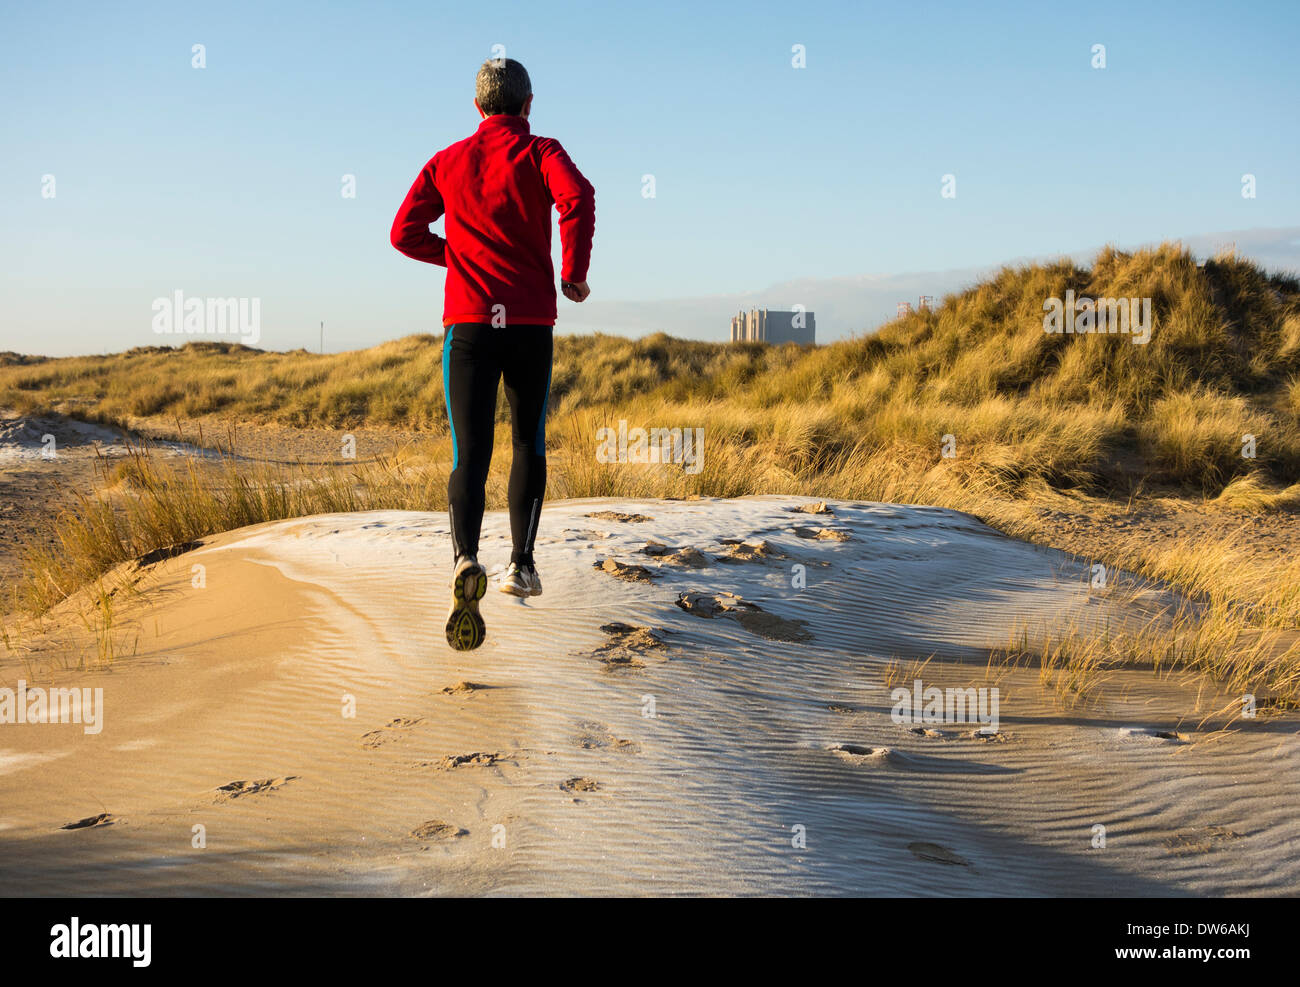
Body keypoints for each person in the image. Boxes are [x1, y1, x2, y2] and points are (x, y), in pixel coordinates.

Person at [390, 57, 595, 651]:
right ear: (528, 105)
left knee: (470, 448)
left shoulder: (448, 159)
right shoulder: (542, 151)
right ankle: (522, 566)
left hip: (470, 325)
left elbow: (404, 231)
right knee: (528, 440)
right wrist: (574, 273)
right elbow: (576, 197)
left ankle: (463, 560)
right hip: (530, 322)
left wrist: (456, 256)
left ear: (477, 108)